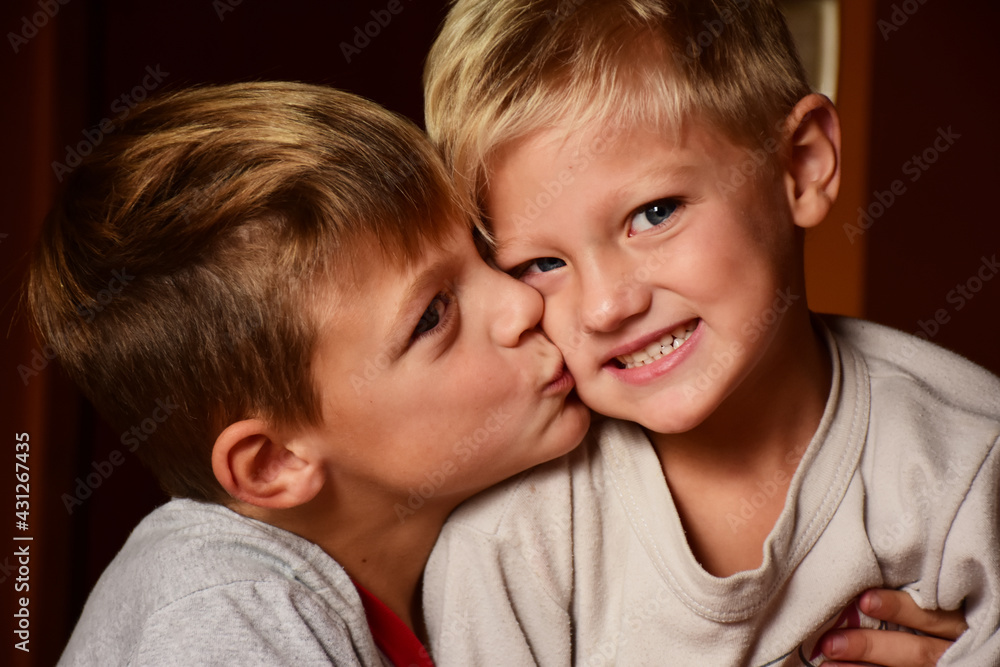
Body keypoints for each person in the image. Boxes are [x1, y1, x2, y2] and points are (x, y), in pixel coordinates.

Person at [420, 1, 999, 665]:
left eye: (653, 213)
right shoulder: (509, 538)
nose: (606, 305)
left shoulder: (967, 465)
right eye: (543, 263)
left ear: (803, 164)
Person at [29, 81, 591, 665]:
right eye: (432, 315)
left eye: (481, 247)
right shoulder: (221, 616)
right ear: (276, 462)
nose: (522, 303)